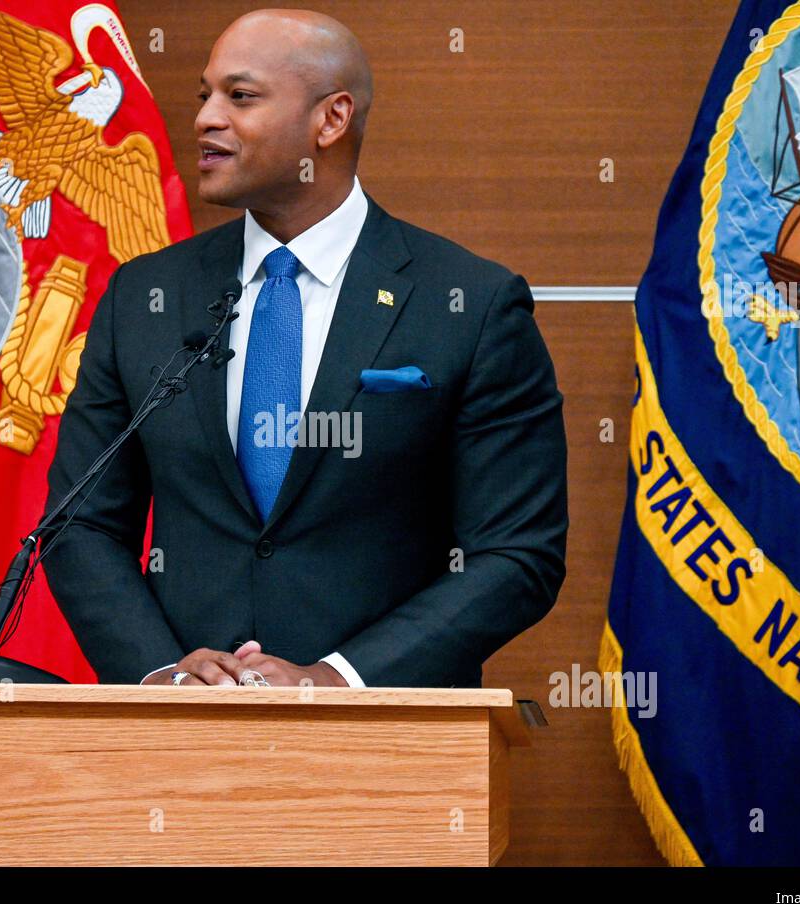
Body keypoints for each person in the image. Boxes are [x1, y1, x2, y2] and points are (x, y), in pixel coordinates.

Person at [44, 8, 567, 688]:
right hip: (176, 750)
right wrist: (164, 671)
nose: (204, 118)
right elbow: (78, 525)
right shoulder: (144, 297)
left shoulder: (468, 305)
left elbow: (516, 553)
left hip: (388, 753)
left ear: (331, 119)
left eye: (240, 95)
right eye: (204, 96)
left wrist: (337, 678)